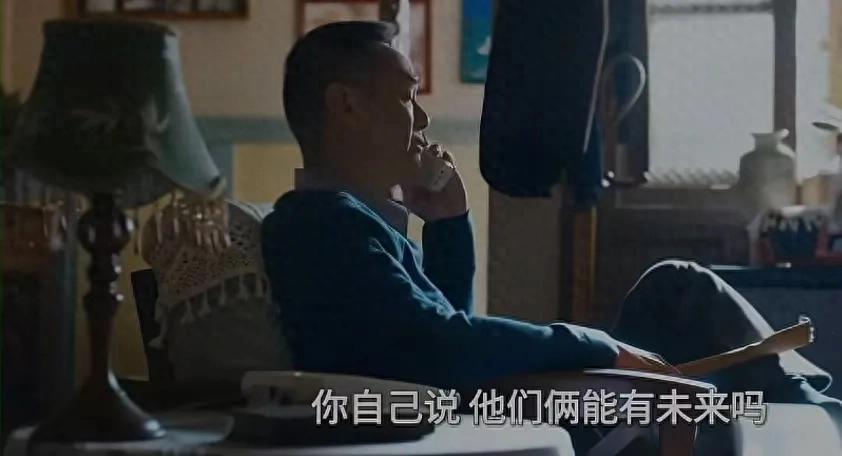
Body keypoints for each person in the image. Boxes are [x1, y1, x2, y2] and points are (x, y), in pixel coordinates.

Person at [261, 21, 839, 413]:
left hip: (511, 398)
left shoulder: (353, 222)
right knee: (685, 301)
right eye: (407, 96)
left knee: (675, 290)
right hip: (516, 410)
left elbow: (440, 328)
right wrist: (595, 345)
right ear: (347, 105)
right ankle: (817, 420)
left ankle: (811, 413)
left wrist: (448, 225)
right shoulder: (319, 225)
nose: (423, 119)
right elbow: (440, 348)